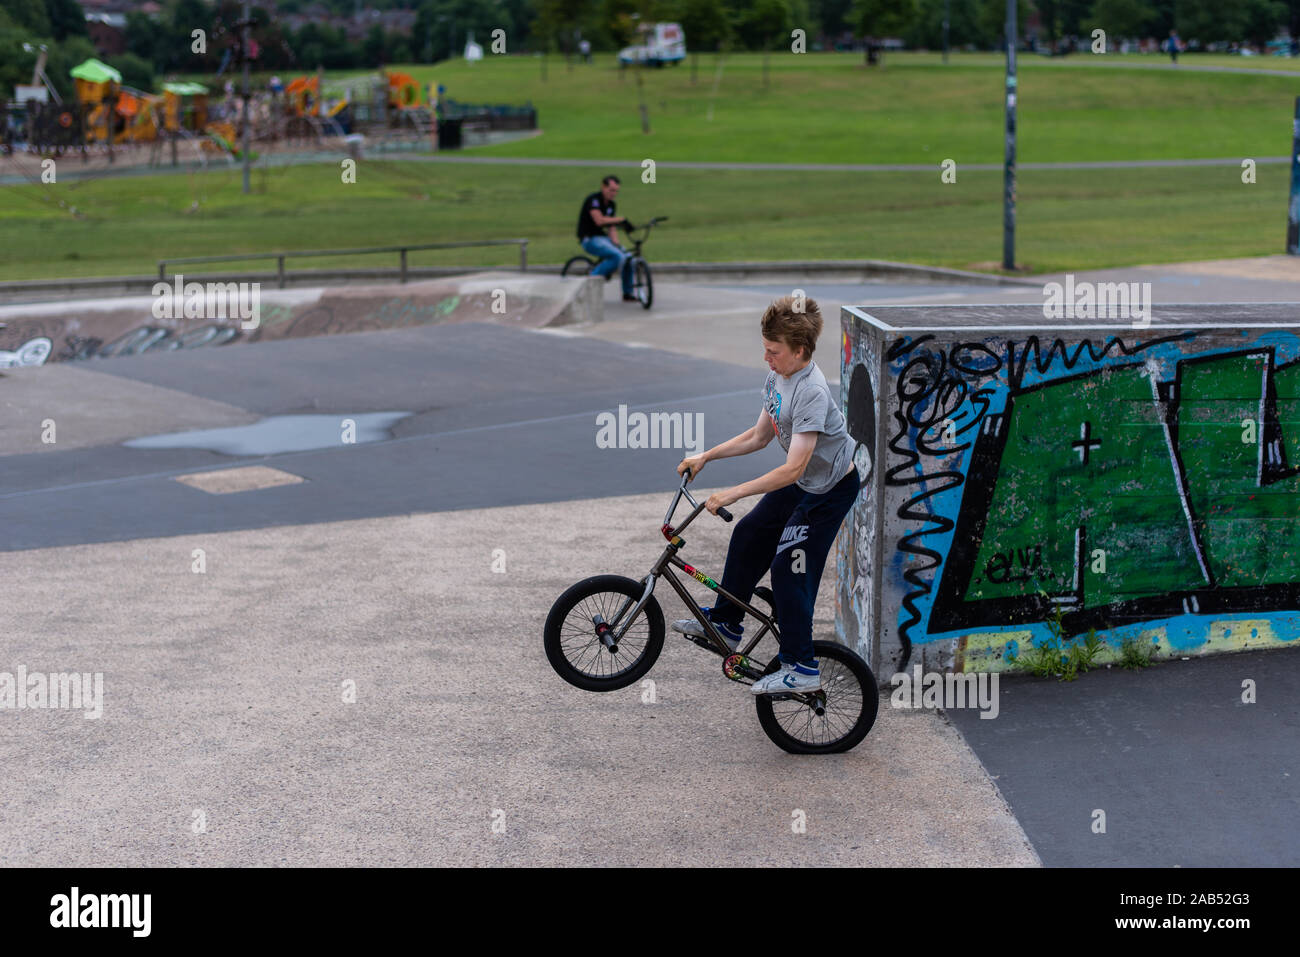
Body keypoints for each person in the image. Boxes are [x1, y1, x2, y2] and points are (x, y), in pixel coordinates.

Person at [674, 295, 861, 694]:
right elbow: (760, 436)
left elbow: (793, 468)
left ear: (800, 351)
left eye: (773, 351)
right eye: (765, 348)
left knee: (789, 568)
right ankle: (725, 626)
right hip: (806, 481)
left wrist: (733, 493)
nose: (766, 357)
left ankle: (803, 668)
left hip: (828, 490)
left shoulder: (811, 391)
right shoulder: (779, 376)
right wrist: (706, 455)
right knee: (748, 533)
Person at [575, 175, 636, 302]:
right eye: (611, 190)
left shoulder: (612, 205)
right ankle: (589, 285)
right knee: (617, 257)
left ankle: (628, 293)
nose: (614, 193)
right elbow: (599, 221)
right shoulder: (593, 200)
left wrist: (617, 243)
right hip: (589, 239)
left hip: (603, 239)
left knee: (628, 258)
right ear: (603, 187)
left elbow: (611, 227)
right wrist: (621, 220)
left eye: (616, 191)